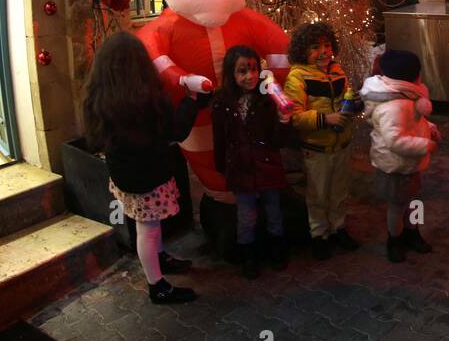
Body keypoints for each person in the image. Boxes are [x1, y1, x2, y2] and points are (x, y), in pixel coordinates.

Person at [82, 31, 203, 305]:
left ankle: (159, 258)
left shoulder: (99, 98)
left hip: (125, 176)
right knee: (147, 229)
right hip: (148, 176)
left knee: (148, 225)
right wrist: (191, 101)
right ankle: (157, 285)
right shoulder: (144, 100)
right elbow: (175, 131)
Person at [211, 46, 292, 279]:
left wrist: (284, 121)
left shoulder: (267, 98)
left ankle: (277, 249)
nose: (250, 76)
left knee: (273, 211)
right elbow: (220, 139)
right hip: (241, 168)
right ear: (231, 74)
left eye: (254, 69)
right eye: (242, 71)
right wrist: (223, 168)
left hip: (267, 165)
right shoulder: (222, 102)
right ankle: (248, 255)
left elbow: (278, 140)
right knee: (246, 215)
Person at [284, 22, 357, 260]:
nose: (323, 51)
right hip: (316, 148)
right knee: (317, 194)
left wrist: (353, 103)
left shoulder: (337, 70)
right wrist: (325, 119)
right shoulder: (298, 77)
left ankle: (338, 228)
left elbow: (346, 97)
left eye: (327, 45)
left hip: (341, 144)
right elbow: (295, 116)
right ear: (302, 51)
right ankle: (319, 235)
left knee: (339, 191)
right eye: (315, 47)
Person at [361, 49, 439, 263]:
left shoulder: (404, 96)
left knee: (414, 200)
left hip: (410, 164)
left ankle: (413, 232)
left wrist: (429, 127)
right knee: (397, 206)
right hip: (395, 166)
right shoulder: (393, 106)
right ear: (412, 77)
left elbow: (414, 122)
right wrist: (425, 144)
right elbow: (395, 141)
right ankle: (394, 239)